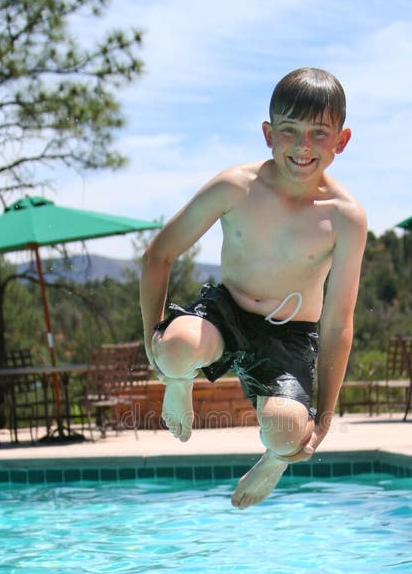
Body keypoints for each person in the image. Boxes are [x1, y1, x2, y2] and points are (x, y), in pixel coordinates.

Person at [141, 67, 367, 509]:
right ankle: (178, 381)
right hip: (227, 314)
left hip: (289, 336)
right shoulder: (236, 186)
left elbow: (338, 323)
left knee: (288, 433)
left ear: (341, 141)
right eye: (290, 130)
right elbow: (158, 255)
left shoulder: (345, 217)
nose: (303, 146)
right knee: (175, 347)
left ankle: (274, 460)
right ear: (268, 134)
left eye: (319, 133)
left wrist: (322, 417)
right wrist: (153, 339)